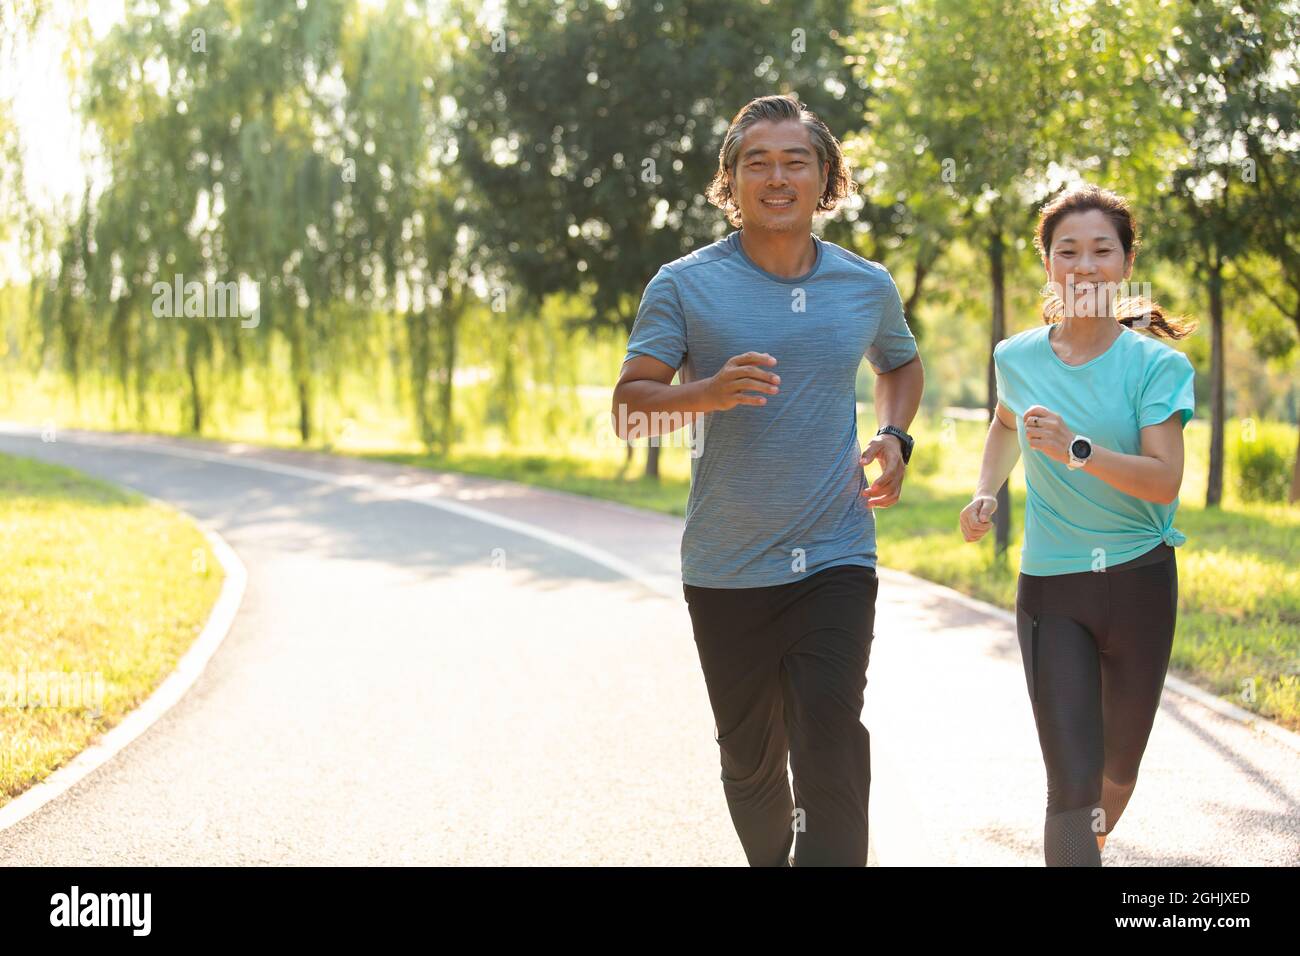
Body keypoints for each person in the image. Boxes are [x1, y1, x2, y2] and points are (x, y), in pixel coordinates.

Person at [611, 93, 925, 866]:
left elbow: (902, 363)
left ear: (827, 179)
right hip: (727, 563)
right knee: (751, 762)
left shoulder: (866, 285)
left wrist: (893, 434)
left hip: (835, 553)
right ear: (731, 180)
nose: (777, 177)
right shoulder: (684, 285)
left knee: (829, 735)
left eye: (796, 161)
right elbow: (630, 411)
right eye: (758, 162)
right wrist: (704, 393)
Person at [960, 183, 1197, 866]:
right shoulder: (1017, 356)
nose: (1084, 266)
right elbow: (1007, 423)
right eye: (1068, 251)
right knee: (1069, 786)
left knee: (1112, 779)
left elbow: (1164, 479)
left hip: (1140, 585)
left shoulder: (1156, 366)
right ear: (1048, 263)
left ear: (1125, 264)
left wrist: (1078, 451)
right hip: (1052, 588)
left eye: (1102, 251)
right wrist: (986, 491)